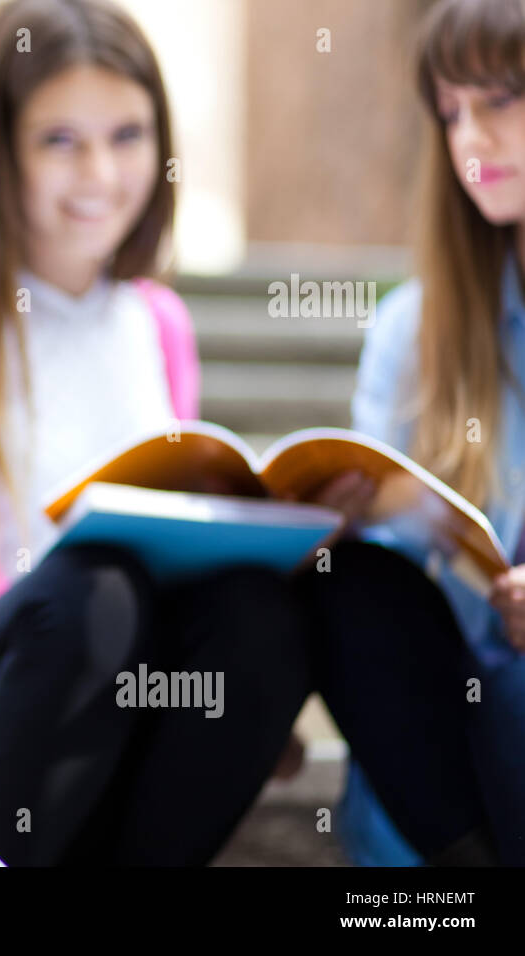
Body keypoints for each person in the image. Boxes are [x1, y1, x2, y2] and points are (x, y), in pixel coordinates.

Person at [0, 0, 312, 866]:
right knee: (91, 587)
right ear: (0, 151)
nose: (99, 171)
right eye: (62, 141)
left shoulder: (157, 324)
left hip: (89, 705)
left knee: (258, 619)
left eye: (126, 136)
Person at [298, 0, 525, 866]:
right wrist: (344, 518)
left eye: (500, 99)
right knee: (344, 584)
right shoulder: (411, 331)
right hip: (459, 748)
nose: (472, 137)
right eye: (452, 110)